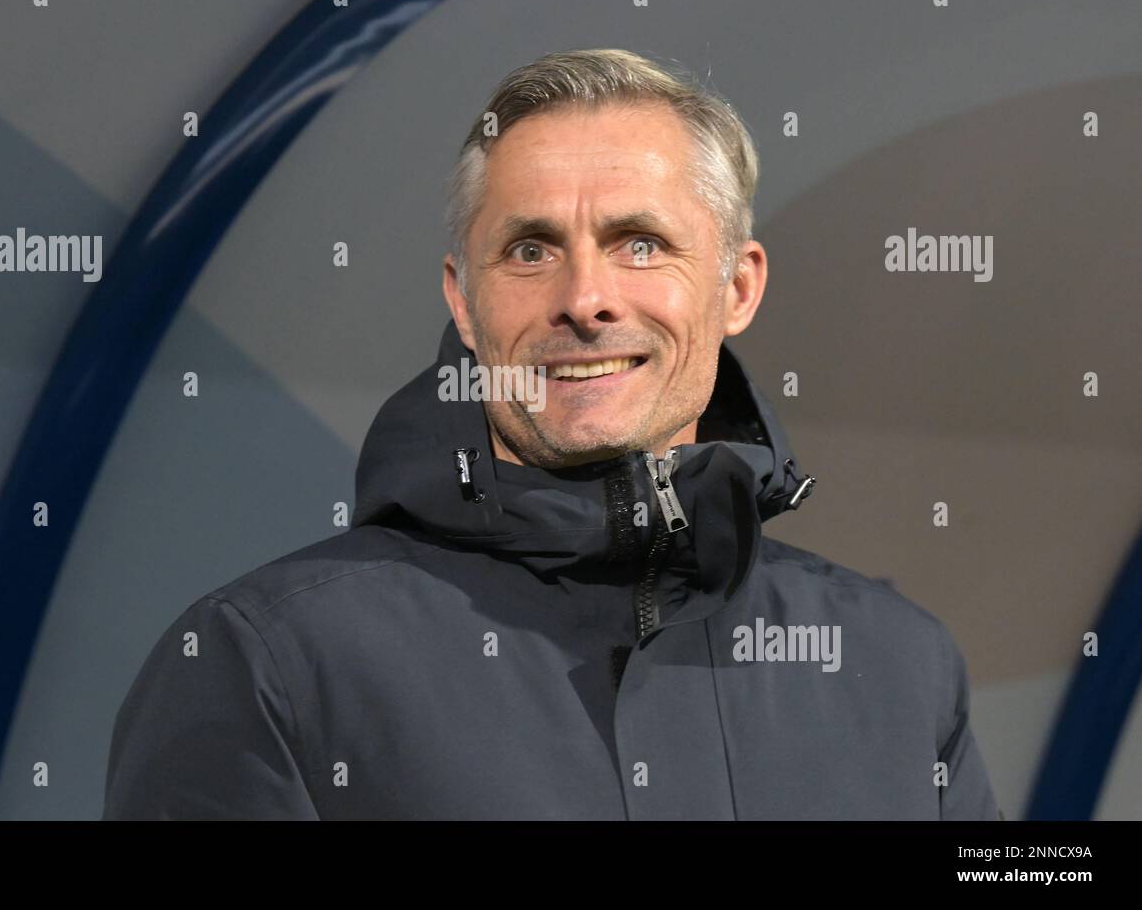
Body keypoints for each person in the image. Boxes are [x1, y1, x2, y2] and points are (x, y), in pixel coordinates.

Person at [103, 48, 1002, 820]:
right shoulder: (270, 660)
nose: (584, 298)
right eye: (530, 249)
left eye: (640, 242)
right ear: (462, 298)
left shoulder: (898, 665)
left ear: (737, 286)